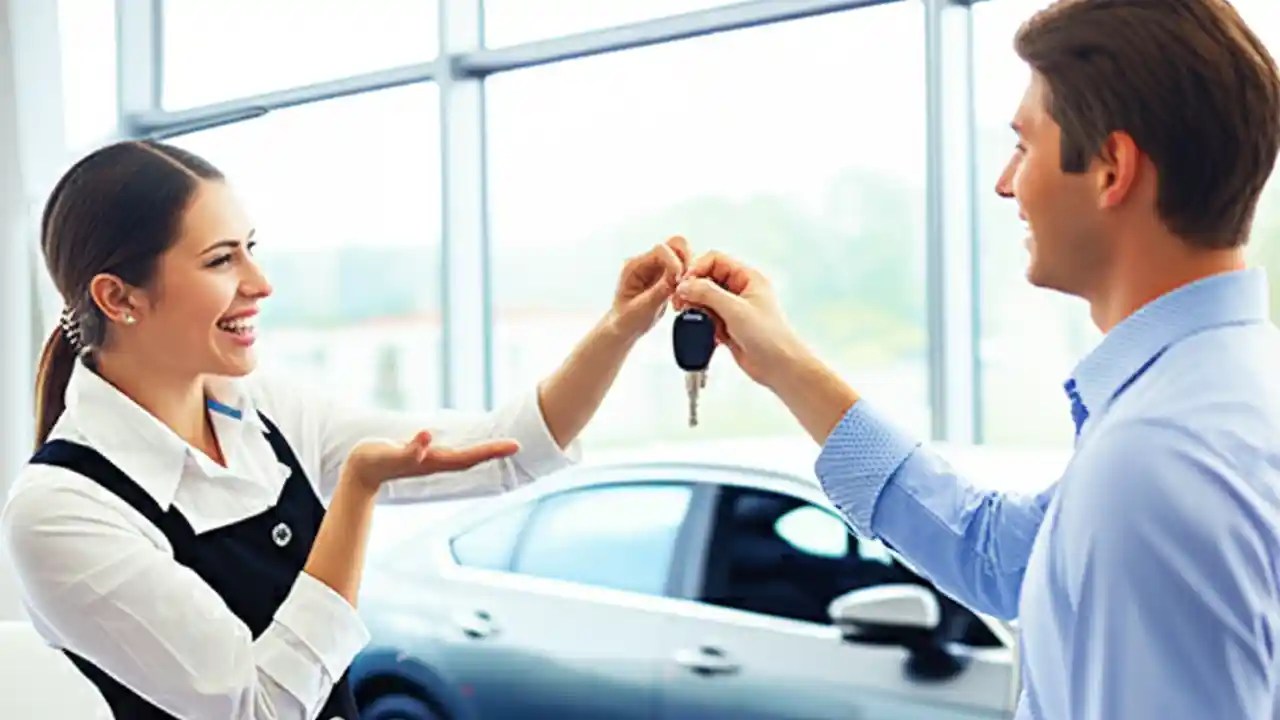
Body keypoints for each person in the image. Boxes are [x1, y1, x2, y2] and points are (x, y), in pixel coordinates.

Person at [674, 0, 1280, 718]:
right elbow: (1004, 557)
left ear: (1112, 168)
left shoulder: (1159, 459)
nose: (1005, 182)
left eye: (1024, 145)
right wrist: (786, 366)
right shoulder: (1215, 392)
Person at [0, 139, 691, 719]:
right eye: (221, 260)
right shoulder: (62, 510)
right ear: (119, 296)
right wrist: (356, 497)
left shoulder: (262, 411)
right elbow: (262, 708)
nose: (261, 282)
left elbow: (508, 447)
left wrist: (621, 328)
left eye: (251, 248)